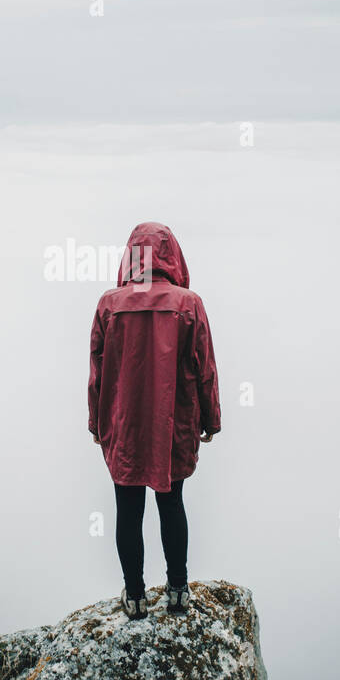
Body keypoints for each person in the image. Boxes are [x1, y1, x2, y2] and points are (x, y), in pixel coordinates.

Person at [88, 222, 222, 619]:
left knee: (127, 510)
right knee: (172, 503)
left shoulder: (109, 305)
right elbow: (206, 369)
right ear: (173, 256)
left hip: (124, 423)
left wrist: (97, 423)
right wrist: (210, 419)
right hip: (173, 423)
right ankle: (178, 589)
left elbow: (96, 371)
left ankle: (134, 594)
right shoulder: (189, 304)